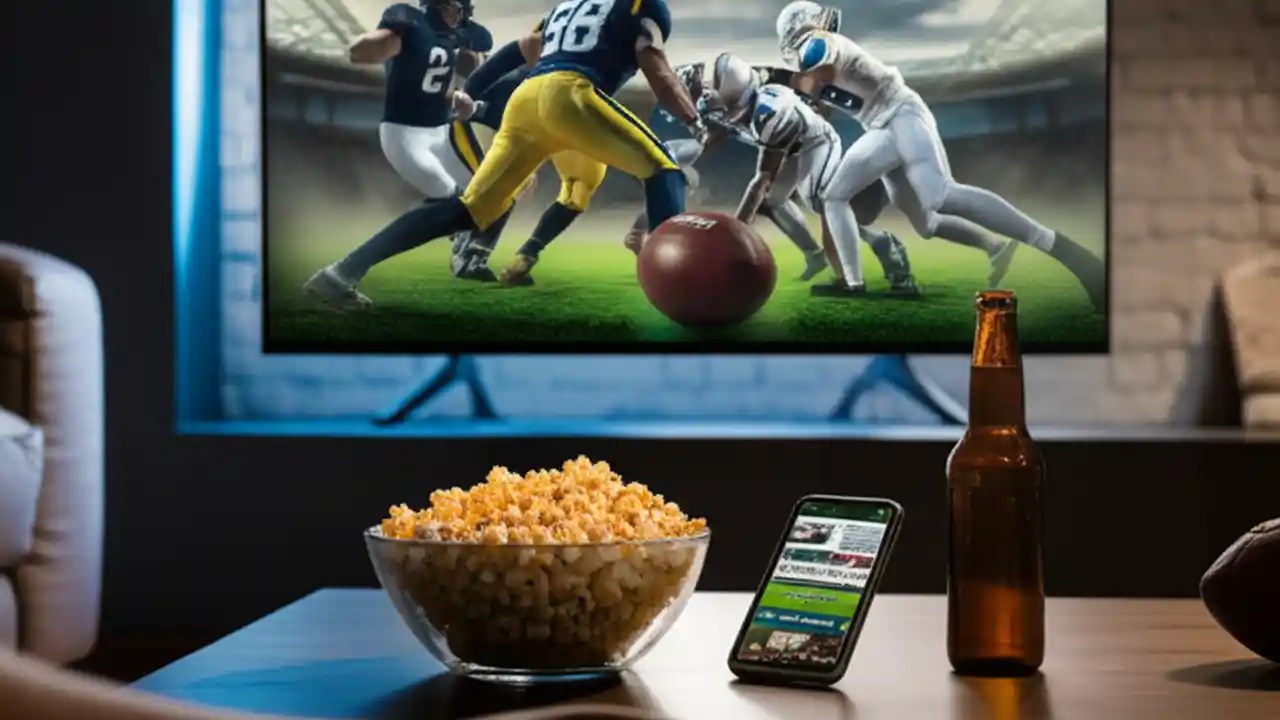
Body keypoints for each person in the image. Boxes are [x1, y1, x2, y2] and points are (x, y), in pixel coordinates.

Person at [303, 0, 704, 310]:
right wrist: (692, 117)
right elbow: (658, 69)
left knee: (469, 208)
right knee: (666, 171)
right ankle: (679, 290)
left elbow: (527, 47)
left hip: (526, 99)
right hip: (572, 93)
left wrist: (488, 85)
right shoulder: (644, 5)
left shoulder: (567, 6)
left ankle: (342, 272)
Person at [775, 0, 1103, 305]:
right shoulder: (821, 50)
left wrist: (785, 81)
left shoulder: (822, 45)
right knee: (906, 218)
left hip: (902, 115)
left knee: (941, 195)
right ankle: (853, 283)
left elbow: (821, 74)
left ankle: (1063, 249)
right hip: (878, 128)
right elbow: (827, 93)